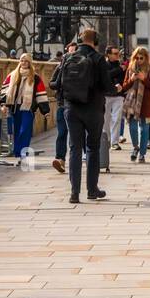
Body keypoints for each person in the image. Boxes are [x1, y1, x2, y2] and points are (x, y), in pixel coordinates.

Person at [52, 26, 113, 203]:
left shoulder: (67, 57)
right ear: (95, 41)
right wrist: (115, 88)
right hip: (93, 109)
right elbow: (107, 86)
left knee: (74, 149)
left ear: (79, 40)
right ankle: (92, 190)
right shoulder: (98, 59)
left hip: (71, 108)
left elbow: (56, 83)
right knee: (92, 148)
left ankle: (74, 193)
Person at [0, 53, 50, 161]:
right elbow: (4, 90)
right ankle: (18, 154)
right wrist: (3, 104)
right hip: (15, 107)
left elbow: (40, 94)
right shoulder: (12, 75)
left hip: (28, 109)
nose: (24, 63)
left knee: (25, 130)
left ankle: (23, 152)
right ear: (19, 62)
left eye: (26, 61)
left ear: (29, 63)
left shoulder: (35, 77)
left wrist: (45, 111)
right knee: (17, 131)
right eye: (22, 61)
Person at [120, 46, 150, 163]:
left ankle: (142, 153)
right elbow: (124, 86)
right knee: (132, 127)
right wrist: (131, 79)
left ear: (146, 58)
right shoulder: (130, 68)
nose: (139, 60)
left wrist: (144, 79)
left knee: (144, 129)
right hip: (133, 103)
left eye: (141, 58)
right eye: (136, 58)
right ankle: (135, 147)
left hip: (146, 103)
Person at [50, 42, 77, 173]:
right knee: (61, 133)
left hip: (76, 105)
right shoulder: (60, 67)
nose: (70, 55)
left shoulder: (82, 67)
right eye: (68, 52)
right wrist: (61, 71)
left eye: (73, 52)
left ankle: (79, 158)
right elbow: (52, 84)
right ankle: (60, 159)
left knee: (76, 134)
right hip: (62, 104)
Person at [101, 44, 126, 172]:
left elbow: (124, 79)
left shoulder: (121, 66)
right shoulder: (104, 65)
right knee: (105, 119)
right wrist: (119, 71)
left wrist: (121, 85)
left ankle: (114, 142)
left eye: (118, 54)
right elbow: (105, 77)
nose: (117, 56)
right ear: (108, 54)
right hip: (106, 94)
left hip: (118, 95)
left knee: (117, 118)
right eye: (115, 54)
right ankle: (107, 140)